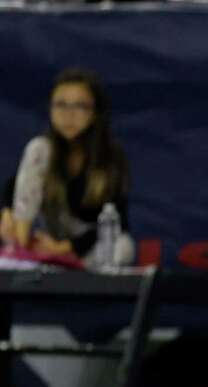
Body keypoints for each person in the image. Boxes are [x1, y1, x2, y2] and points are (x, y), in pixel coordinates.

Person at [0, 68, 134, 268]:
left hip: (84, 246)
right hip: (45, 237)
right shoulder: (43, 150)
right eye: (60, 105)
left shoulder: (111, 157)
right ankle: (19, 254)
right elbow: (17, 186)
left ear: (95, 113)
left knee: (124, 247)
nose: (68, 115)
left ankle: (58, 261)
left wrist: (65, 247)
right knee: (38, 148)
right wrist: (7, 211)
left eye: (80, 106)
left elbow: (116, 221)